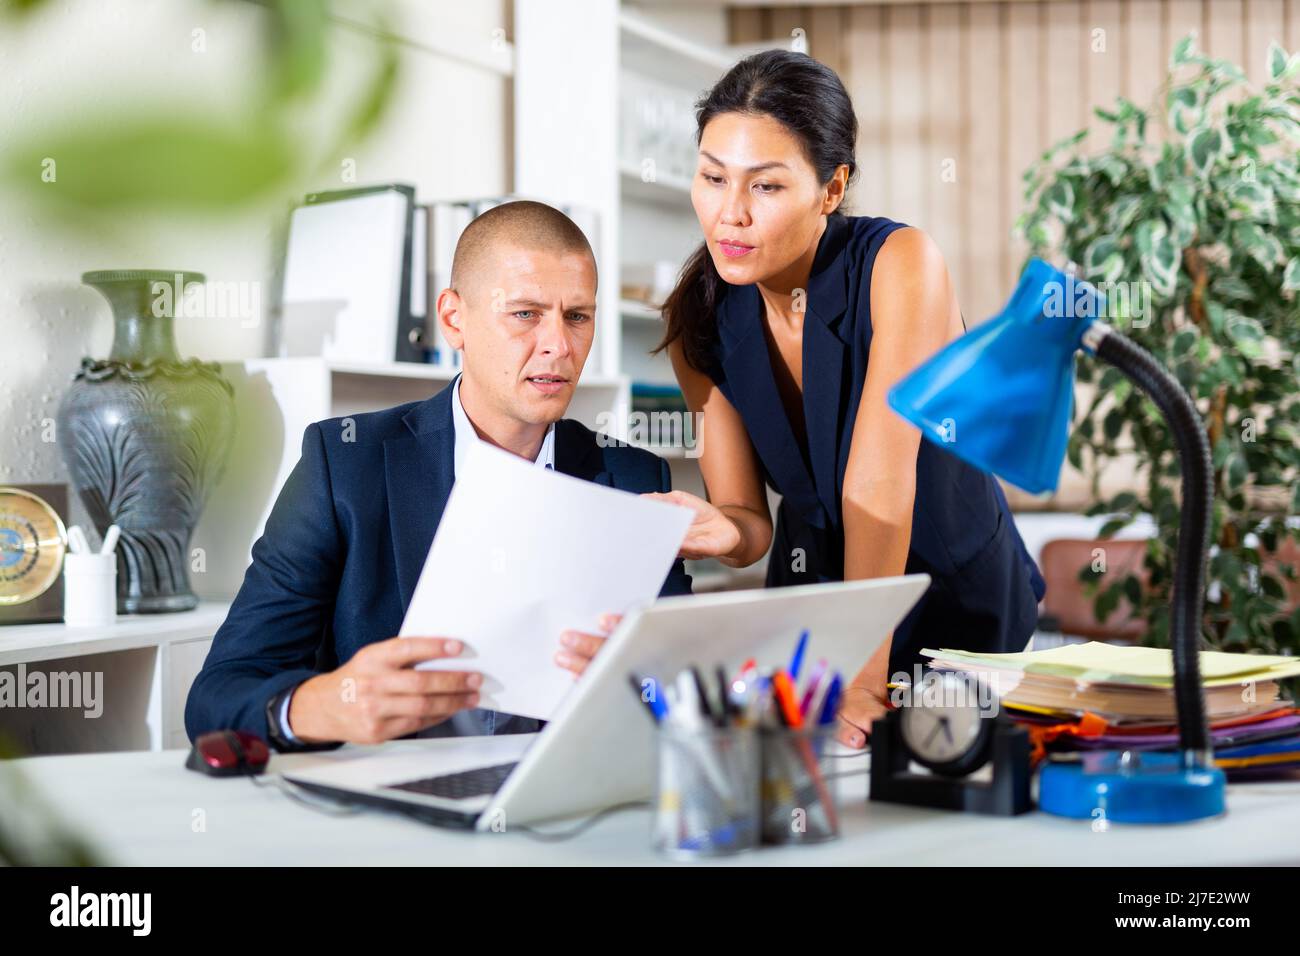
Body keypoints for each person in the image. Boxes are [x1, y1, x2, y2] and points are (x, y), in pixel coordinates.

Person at [185, 200, 691, 751]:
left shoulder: (634, 478)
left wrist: (635, 687)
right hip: (391, 790)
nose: (559, 346)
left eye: (577, 317)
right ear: (454, 320)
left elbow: (683, 694)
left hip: (568, 788)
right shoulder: (344, 465)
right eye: (526, 314)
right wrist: (329, 704)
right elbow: (217, 697)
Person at [649, 50, 1045, 751]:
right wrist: (717, 529)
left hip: (954, 604)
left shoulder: (901, 264)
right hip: (812, 607)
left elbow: (878, 484)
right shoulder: (697, 319)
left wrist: (864, 674)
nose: (729, 214)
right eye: (712, 177)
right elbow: (749, 523)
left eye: (766, 186)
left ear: (831, 189)